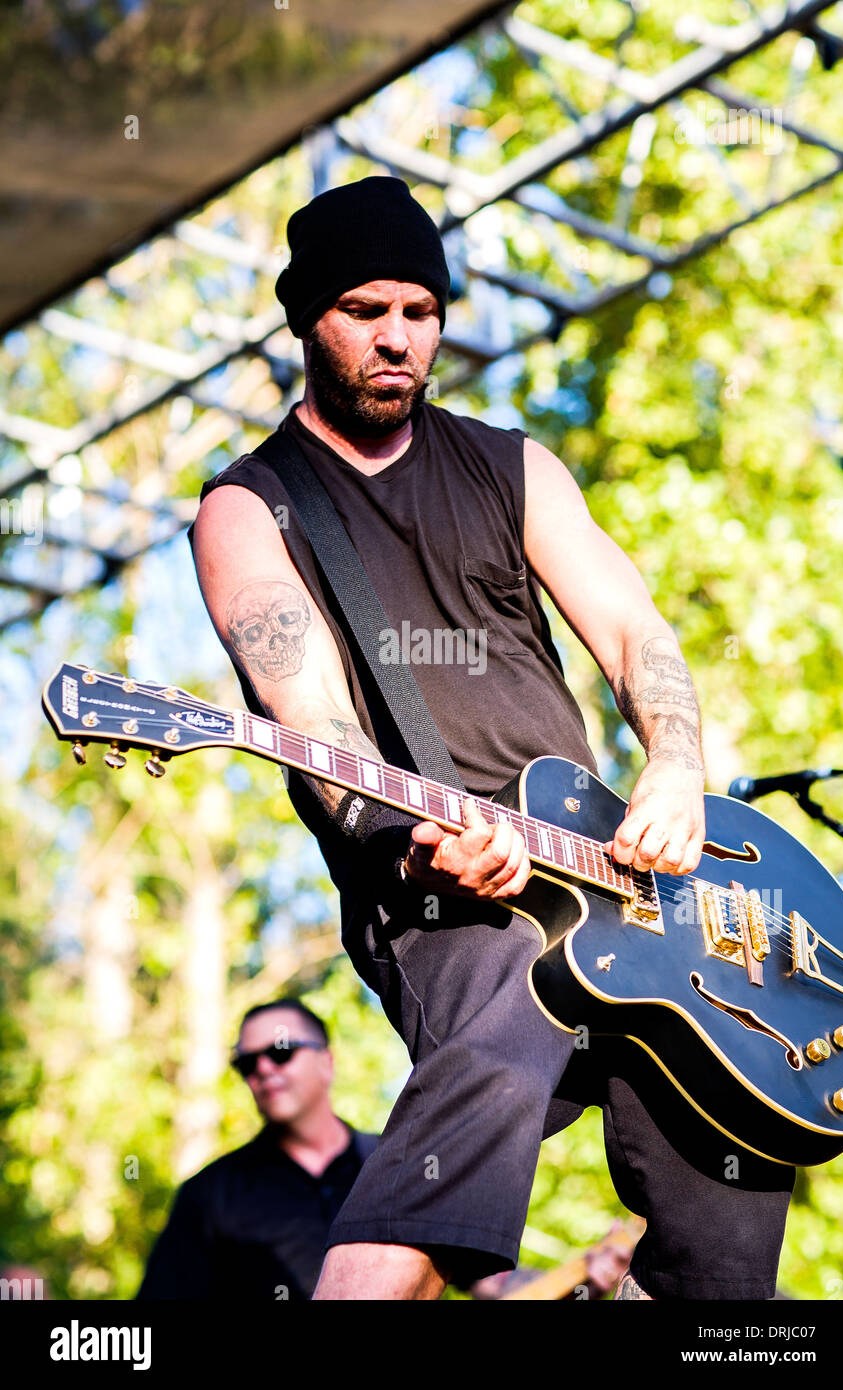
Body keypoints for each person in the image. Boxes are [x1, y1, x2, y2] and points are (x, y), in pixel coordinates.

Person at [190, 175, 794, 1301]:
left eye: (419, 312)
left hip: (603, 867)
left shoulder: (513, 466)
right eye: (364, 310)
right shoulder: (251, 505)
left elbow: (629, 630)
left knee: (732, 1122)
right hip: (435, 886)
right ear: (304, 319)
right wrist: (411, 833)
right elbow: (308, 714)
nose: (396, 338)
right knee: (509, 996)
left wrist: (673, 759)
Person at [137, 998, 377, 1300]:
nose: (263, 1069)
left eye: (281, 1052)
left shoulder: (394, 1167)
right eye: (247, 1063)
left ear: (326, 1063)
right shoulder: (211, 1193)